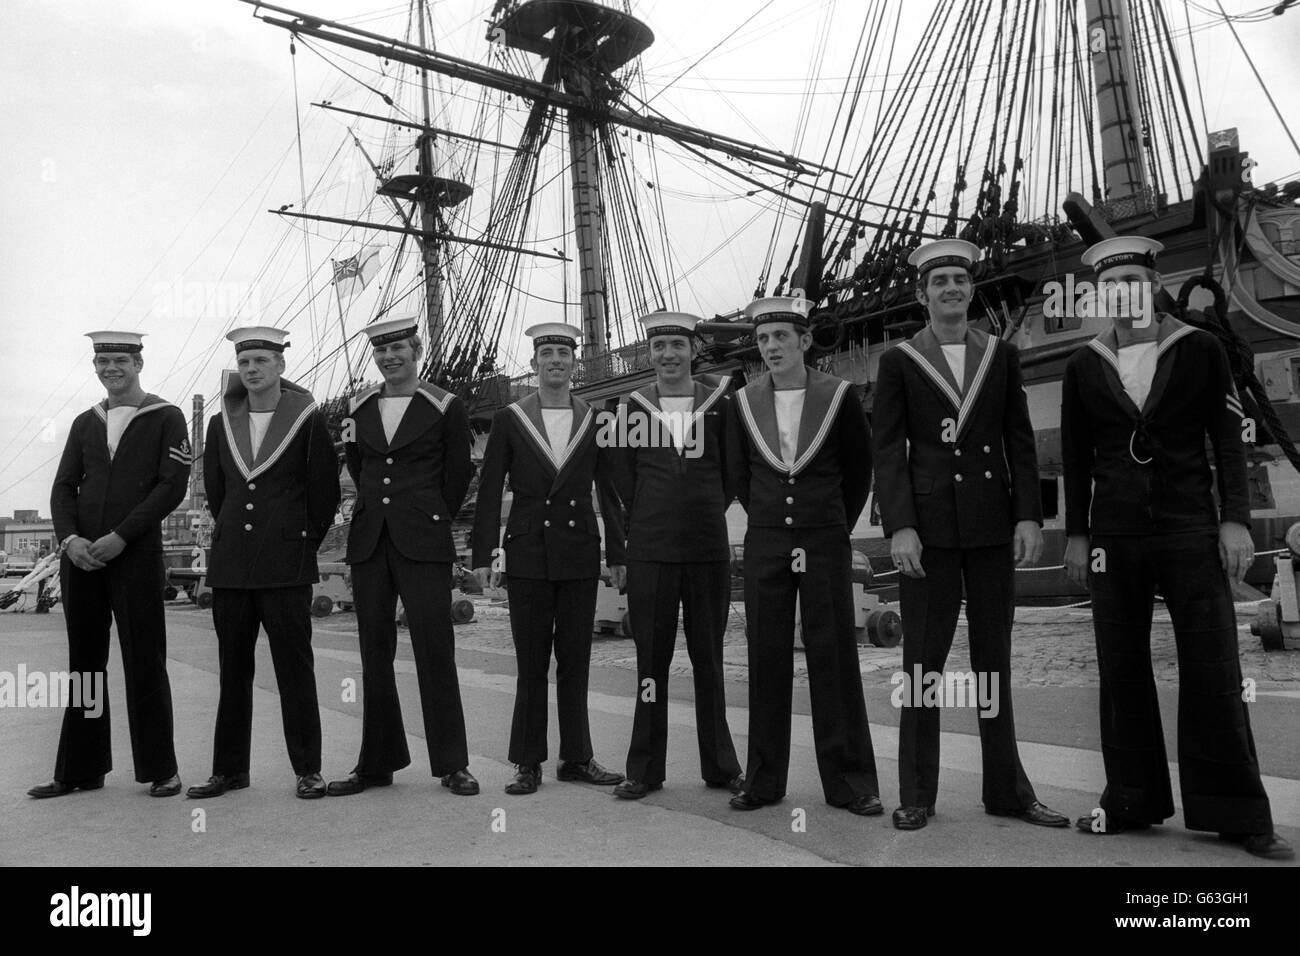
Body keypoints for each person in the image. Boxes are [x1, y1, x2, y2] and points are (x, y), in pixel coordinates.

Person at [1061, 235, 1292, 859]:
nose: (1125, 292)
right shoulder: (1085, 365)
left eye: (1135, 279)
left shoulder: (1200, 348)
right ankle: (1129, 800)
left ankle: (1239, 812)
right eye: (1114, 284)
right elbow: (1078, 458)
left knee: (1215, 665)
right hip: (1114, 534)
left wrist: (1235, 521)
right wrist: (1079, 536)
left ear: (1152, 284)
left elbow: (1226, 437)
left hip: (1189, 524)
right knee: (1121, 669)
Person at [872, 239, 1068, 832]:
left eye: (960, 278)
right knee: (922, 664)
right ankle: (917, 793)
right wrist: (900, 525)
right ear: (923, 294)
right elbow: (889, 451)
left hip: (989, 524)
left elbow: (1019, 439)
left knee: (993, 661)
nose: (951, 288)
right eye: (940, 282)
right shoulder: (900, 360)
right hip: (928, 534)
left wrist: (1029, 515)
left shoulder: (1000, 355)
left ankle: (1007, 789)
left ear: (972, 289)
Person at [725, 296, 881, 816]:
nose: (771, 347)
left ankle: (850, 782)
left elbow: (858, 473)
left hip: (822, 538)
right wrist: (772, 518)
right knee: (765, 656)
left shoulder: (838, 396)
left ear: (805, 341)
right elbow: (741, 475)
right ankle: (764, 780)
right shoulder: (743, 401)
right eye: (764, 338)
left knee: (833, 654)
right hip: (768, 539)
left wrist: (827, 519)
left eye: (781, 338)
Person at [30, 331, 189, 799]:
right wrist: (70, 539)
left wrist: (121, 536)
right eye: (103, 362)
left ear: (139, 363)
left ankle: (162, 769)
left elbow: (171, 486)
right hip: (82, 560)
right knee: (85, 665)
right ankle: (81, 768)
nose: (110, 369)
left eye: (120, 360)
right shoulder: (85, 422)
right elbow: (63, 487)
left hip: (134, 556)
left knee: (144, 661)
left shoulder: (166, 416)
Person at [471, 322, 627, 795]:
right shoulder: (511, 418)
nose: (556, 360)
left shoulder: (595, 418)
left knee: (576, 660)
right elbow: (490, 488)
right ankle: (527, 761)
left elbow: (610, 489)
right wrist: (483, 555)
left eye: (564, 352)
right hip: (528, 554)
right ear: (535, 363)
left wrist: (619, 553)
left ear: (574, 362)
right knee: (532, 661)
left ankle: (577, 757)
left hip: (579, 552)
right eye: (548, 354)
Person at [326, 315, 478, 797]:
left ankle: (453, 763)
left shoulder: (445, 405)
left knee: (436, 650)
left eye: (399, 350)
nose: (390, 358)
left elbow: (457, 476)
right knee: (374, 653)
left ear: (416, 351)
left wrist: (427, 515)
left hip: (423, 539)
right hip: (371, 542)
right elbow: (360, 466)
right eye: (381, 352)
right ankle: (377, 762)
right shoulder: (359, 407)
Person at [188, 326, 340, 801]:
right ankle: (229, 770)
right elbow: (218, 490)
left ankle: (308, 769)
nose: (252, 370)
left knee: (295, 670)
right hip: (233, 566)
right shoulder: (221, 422)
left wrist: (298, 544)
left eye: (261, 362)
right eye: (245, 363)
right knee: (233, 670)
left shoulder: (307, 418)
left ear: (281, 366)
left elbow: (324, 494)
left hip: (285, 564)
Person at [610, 311, 744, 799]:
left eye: (677, 345)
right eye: (660, 346)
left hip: (706, 549)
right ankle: (644, 768)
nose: (668, 355)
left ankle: (721, 766)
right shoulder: (632, 408)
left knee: (708, 658)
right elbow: (621, 476)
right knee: (651, 662)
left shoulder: (720, 404)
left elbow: (732, 471)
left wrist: (700, 505)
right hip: (651, 552)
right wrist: (652, 514)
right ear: (650, 353)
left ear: (693, 351)